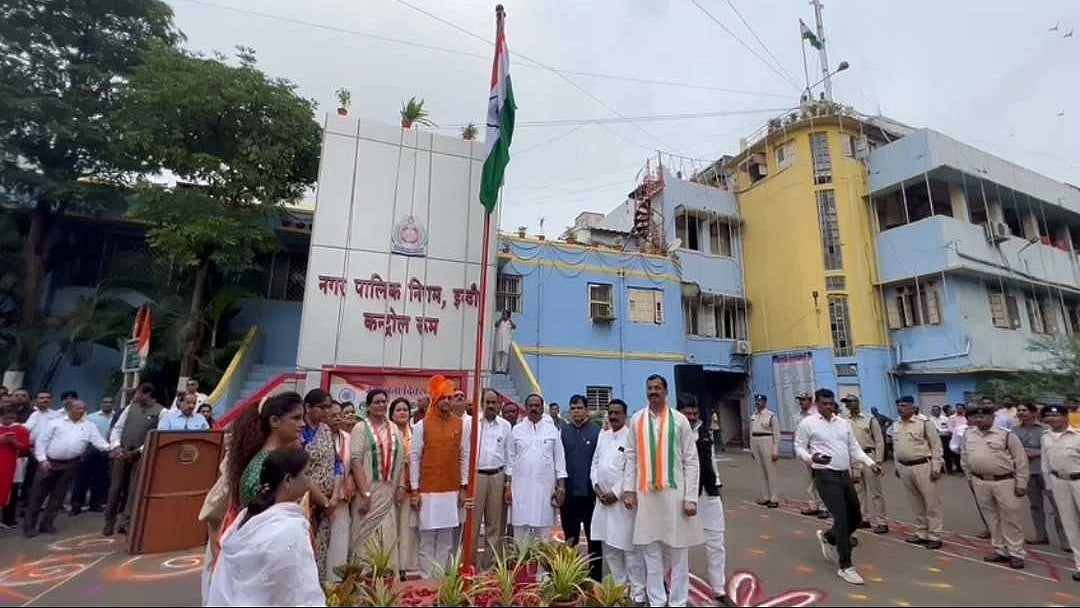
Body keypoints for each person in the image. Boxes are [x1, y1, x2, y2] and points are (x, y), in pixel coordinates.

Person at [206, 448, 324, 607]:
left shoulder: (246, 518)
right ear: (288, 480)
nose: (310, 481)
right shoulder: (289, 529)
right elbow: (297, 592)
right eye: (307, 474)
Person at [623, 375, 703, 607]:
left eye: (658, 388)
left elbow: (691, 460)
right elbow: (630, 456)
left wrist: (690, 498)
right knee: (650, 552)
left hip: (675, 495)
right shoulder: (637, 420)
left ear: (666, 392)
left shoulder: (679, 420)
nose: (653, 392)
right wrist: (628, 490)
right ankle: (657, 601)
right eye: (650, 388)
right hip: (646, 495)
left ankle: (678, 601)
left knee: (678, 552)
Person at [795, 388, 883, 586]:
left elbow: (854, 448)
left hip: (845, 475)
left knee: (856, 518)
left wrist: (870, 463)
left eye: (831, 403)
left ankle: (828, 536)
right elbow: (799, 446)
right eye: (824, 404)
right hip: (825, 475)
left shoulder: (842, 423)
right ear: (817, 404)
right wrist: (811, 458)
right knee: (842, 520)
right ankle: (846, 566)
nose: (828, 407)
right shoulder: (807, 424)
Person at [677, 394, 734, 607]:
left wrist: (717, 484)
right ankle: (675, 591)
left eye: (694, 413)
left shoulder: (705, 432)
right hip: (682, 496)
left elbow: (711, 461)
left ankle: (719, 589)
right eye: (687, 413)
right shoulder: (672, 433)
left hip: (708, 492)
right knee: (679, 545)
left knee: (716, 542)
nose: (691, 417)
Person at [410, 375, 469, 577]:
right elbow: (415, 458)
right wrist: (415, 490)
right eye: (442, 397)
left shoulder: (460, 424)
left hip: (452, 490)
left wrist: (463, 487)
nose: (446, 401)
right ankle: (427, 581)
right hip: (427, 491)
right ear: (434, 399)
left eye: (449, 397)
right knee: (427, 538)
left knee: (446, 539)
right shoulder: (421, 426)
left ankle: (441, 581)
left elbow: (464, 456)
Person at [24, 399, 109, 537]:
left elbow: (99, 441)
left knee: (58, 496)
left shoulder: (89, 426)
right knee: (37, 495)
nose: (81, 411)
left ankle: (46, 524)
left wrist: (112, 449)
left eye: (83, 408)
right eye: (78, 408)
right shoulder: (55, 423)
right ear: (69, 409)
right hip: (49, 463)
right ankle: (29, 526)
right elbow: (41, 442)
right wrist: (42, 460)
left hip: (70, 464)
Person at [590, 398, 645, 605]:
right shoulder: (603, 436)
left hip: (623, 503)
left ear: (625, 415)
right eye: (610, 413)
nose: (613, 416)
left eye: (617, 413)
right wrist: (597, 487)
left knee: (629, 550)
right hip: (602, 502)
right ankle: (620, 591)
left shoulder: (632, 437)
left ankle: (637, 593)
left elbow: (633, 468)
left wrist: (615, 492)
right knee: (610, 549)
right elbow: (595, 463)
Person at [962, 402, 1028, 569]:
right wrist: (970, 478)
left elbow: (1020, 460)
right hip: (980, 481)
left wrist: (1021, 482)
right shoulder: (969, 434)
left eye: (983, 416)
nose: (979, 419)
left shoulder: (1006, 435)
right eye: (976, 416)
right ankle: (1000, 550)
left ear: (993, 417)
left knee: (1010, 518)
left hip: (1004, 481)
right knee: (992, 518)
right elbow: (965, 458)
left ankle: (1016, 553)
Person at [350, 389, 405, 570]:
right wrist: (365, 493)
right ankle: (363, 585)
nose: (381, 405)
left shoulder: (394, 428)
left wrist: (401, 486)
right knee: (365, 537)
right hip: (367, 490)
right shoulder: (360, 428)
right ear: (368, 406)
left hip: (388, 492)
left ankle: (386, 586)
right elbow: (356, 461)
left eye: (384, 401)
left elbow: (402, 460)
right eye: (377, 402)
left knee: (388, 536)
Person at [104, 383, 164, 536]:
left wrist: (139, 451)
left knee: (134, 489)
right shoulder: (130, 408)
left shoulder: (162, 412)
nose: (135, 396)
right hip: (122, 453)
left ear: (148, 394)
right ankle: (109, 521)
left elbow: (157, 434)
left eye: (138, 393)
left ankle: (126, 521)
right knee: (115, 488)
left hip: (141, 456)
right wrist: (116, 446)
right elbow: (117, 428)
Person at [508, 393, 566, 542]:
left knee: (543, 537)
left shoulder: (552, 431)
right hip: (520, 489)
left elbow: (560, 461)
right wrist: (507, 486)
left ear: (542, 408)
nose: (534, 408)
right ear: (526, 408)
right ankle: (522, 566)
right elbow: (510, 461)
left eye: (537, 405)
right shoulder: (516, 430)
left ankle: (541, 567)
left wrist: (561, 488)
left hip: (544, 490)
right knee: (520, 535)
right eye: (531, 405)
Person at [893, 395, 945, 549]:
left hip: (923, 466)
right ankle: (921, 531)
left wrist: (936, 466)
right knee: (915, 501)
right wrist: (897, 466)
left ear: (913, 408)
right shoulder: (896, 424)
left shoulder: (924, 423)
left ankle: (935, 535)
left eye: (904, 406)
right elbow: (897, 447)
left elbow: (936, 445)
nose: (900, 408)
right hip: (904, 467)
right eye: (899, 405)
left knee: (931, 502)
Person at [560, 394, 602, 580]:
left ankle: (595, 580)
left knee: (594, 540)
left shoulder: (597, 433)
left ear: (587, 410)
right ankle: (570, 579)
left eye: (579, 408)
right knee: (570, 540)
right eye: (573, 408)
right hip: (568, 496)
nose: (576, 411)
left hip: (590, 497)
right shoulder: (562, 431)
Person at [1014, 404, 1067, 548]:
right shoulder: (1014, 430)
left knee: (1058, 506)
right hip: (1028, 472)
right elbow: (1013, 449)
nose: (1021, 413)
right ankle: (1041, 535)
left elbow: (1053, 448)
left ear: (1033, 413)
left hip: (1047, 472)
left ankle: (1065, 539)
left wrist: (1036, 453)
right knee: (1035, 506)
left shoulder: (1046, 429)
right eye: (1019, 410)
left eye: (1025, 410)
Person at [300, 389, 340, 580]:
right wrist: (323, 500)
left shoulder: (326, 430)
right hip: (304, 503)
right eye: (322, 407)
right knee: (303, 551)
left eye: (328, 407)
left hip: (327, 507)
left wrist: (333, 498)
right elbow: (301, 472)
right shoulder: (299, 433)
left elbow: (337, 464)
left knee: (321, 551)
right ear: (308, 407)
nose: (326, 411)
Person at [471, 389, 511, 568]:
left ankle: (490, 567)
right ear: (481, 404)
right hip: (477, 477)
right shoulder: (472, 424)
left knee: (495, 525)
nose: (491, 406)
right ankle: (469, 566)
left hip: (497, 477)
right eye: (487, 402)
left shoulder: (505, 426)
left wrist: (508, 484)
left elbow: (509, 456)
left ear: (500, 404)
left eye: (494, 402)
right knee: (473, 524)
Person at [1040, 404, 1080, 581]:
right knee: (1070, 524)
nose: (1051, 419)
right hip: (1059, 482)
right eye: (1047, 416)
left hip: (1078, 480)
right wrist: (1048, 486)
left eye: (1055, 416)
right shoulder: (1045, 437)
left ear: (1065, 417)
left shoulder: (1078, 436)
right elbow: (1045, 464)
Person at [842, 395, 888, 534]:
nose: (848, 405)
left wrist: (878, 460)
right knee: (858, 491)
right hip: (854, 458)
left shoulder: (869, 419)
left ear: (857, 403)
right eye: (846, 403)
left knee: (876, 491)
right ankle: (863, 518)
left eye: (850, 402)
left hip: (869, 456)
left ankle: (881, 521)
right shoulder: (844, 421)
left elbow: (879, 440)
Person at [71, 396, 115, 515]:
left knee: (100, 479)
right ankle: (76, 505)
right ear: (101, 403)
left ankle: (95, 504)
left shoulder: (116, 417)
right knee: (82, 478)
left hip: (106, 451)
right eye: (105, 402)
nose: (107, 404)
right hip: (89, 450)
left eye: (110, 402)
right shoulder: (91, 417)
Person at [325, 400, 353, 584]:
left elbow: (352, 464)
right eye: (332, 415)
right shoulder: (315, 437)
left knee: (340, 540)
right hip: (316, 498)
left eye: (339, 415)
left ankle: (336, 585)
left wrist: (349, 480)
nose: (336, 419)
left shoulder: (348, 438)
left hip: (341, 498)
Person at [391, 397, 419, 578]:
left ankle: (405, 568)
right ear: (391, 415)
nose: (402, 412)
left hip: (411, 489)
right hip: (390, 489)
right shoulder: (387, 434)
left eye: (405, 409)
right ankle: (391, 567)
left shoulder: (416, 434)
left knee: (407, 530)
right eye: (398, 409)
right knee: (391, 529)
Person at [796, 392, 828, 518]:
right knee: (810, 480)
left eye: (804, 400)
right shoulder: (798, 416)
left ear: (810, 401)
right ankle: (813, 505)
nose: (801, 402)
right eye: (800, 400)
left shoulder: (817, 415)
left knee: (821, 480)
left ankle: (824, 508)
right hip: (806, 451)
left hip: (817, 450)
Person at [748, 394, 780, 508]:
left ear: (765, 402)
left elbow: (776, 433)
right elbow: (751, 433)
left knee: (770, 471)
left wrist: (775, 450)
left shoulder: (771, 416)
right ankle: (765, 496)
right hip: (756, 441)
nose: (758, 403)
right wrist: (752, 448)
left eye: (760, 401)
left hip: (767, 441)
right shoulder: (753, 416)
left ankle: (774, 498)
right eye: (756, 400)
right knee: (760, 471)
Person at [0, 406, 29, 528]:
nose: (9, 420)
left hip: (13, 466)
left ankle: (8, 520)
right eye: (6, 417)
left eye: (12, 417)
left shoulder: (21, 429)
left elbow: (25, 449)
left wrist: (14, 442)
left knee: (11, 493)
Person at [930, 405, 953, 474]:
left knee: (947, 453)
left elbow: (949, 428)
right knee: (937, 454)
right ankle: (940, 469)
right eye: (933, 410)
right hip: (935, 438)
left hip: (945, 438)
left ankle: (949, 469)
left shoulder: (945, 418)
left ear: (940, 411)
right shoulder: (930, 420)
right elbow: (934, 430)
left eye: (936, 410)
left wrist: (941, 430)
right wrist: (942, 430)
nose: (935, 411)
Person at [947, 405, 969, 475]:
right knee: (957, 453)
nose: (960, 410)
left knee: (965, 453)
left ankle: (965, 468)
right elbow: (950, 428)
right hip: (955, 437)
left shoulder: (966, 417)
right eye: (958, 408)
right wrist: (957, 432)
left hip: (966, 437)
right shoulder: (952, 417)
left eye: (961, 408)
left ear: (963, 409)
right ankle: (959, 469)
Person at [493, 310, 516, 374]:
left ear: (508, 315)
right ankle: (497, 369)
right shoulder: (500, 321)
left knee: (505, 356)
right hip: (499, 340)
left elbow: (514, 327)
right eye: (503, 314)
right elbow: (495, 325)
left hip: (506, 342)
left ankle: (503, 370)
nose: (503, 315)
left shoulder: (509, 322)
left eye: (505, 314)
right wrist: (501, 318)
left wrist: (510, 320)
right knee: (498, 354)